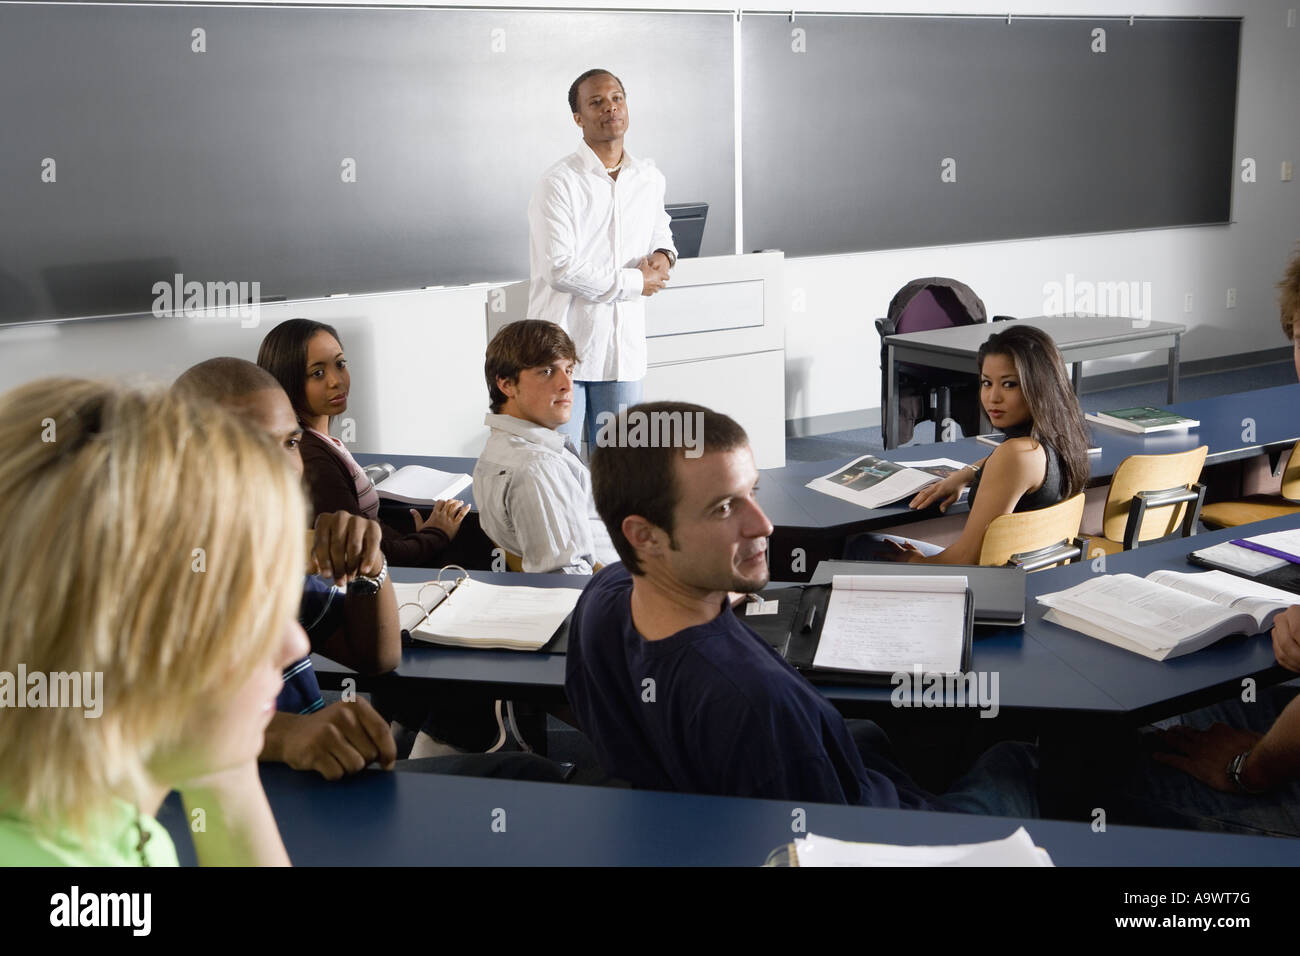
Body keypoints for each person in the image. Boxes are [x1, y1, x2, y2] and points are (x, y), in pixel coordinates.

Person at [566, 401, 1037, 813]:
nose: (764, 525)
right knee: (1015, 759)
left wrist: (711, 588)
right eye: (724, 508)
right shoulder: (757, 700)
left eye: (751, 492)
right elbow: (834, 845)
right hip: (890, 834)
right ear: (643, 535)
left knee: (874, 735)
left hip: (692, 807)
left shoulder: (602, 596)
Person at [177, 358, 560, 779]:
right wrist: (286, 735)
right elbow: (115, 723)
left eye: (289, 444)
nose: (286, 469)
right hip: (240, 801)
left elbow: (376, 658)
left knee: (523, 769)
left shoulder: (266, 550)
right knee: (523, 776)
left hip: (317, 776)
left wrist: (371, 568)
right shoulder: (147, 570)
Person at [0, 379, 306, 865]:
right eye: (255, 610)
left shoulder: (110, 823)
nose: (295, 644)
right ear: (116, 636)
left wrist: (225, 766)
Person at [849, 324, 1091, 565]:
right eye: (987, 382)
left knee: (861, 545)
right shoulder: (1062, 437)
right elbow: (1011, 464)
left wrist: (915, 562)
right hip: (1032, 572)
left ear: (1040, 386)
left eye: (1009, 384)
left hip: (989, 585)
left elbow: (966, 559)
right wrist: (966, 474)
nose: (993, 397)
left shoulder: (1016, 455)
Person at [527, 68, 677, 452]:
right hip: (564, 349)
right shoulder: (559, 182)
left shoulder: (648, 177)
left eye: (617, 98)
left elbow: (661, 227)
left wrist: (664, 254)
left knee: (621, 466)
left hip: (621, 352)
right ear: (578, 118)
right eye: (596, 102)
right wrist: (635, 283)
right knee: (559, 466)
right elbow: (560, 267)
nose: (610, 108)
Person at [257, 318, 470, 567]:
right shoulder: (311, 457)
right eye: (318, 373)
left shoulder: (317, 440)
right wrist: (437, 534)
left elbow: (371, 528)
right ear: (288, 381)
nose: (336, 380)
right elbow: (376, 556)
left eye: (340, 364)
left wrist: (418, 537)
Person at [473, 319, 617, 573]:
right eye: (547, 371)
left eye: (569, 370)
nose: (567, 385)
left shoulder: (501, 449)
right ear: (506, 384)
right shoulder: (538, 468)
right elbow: (565, 579)